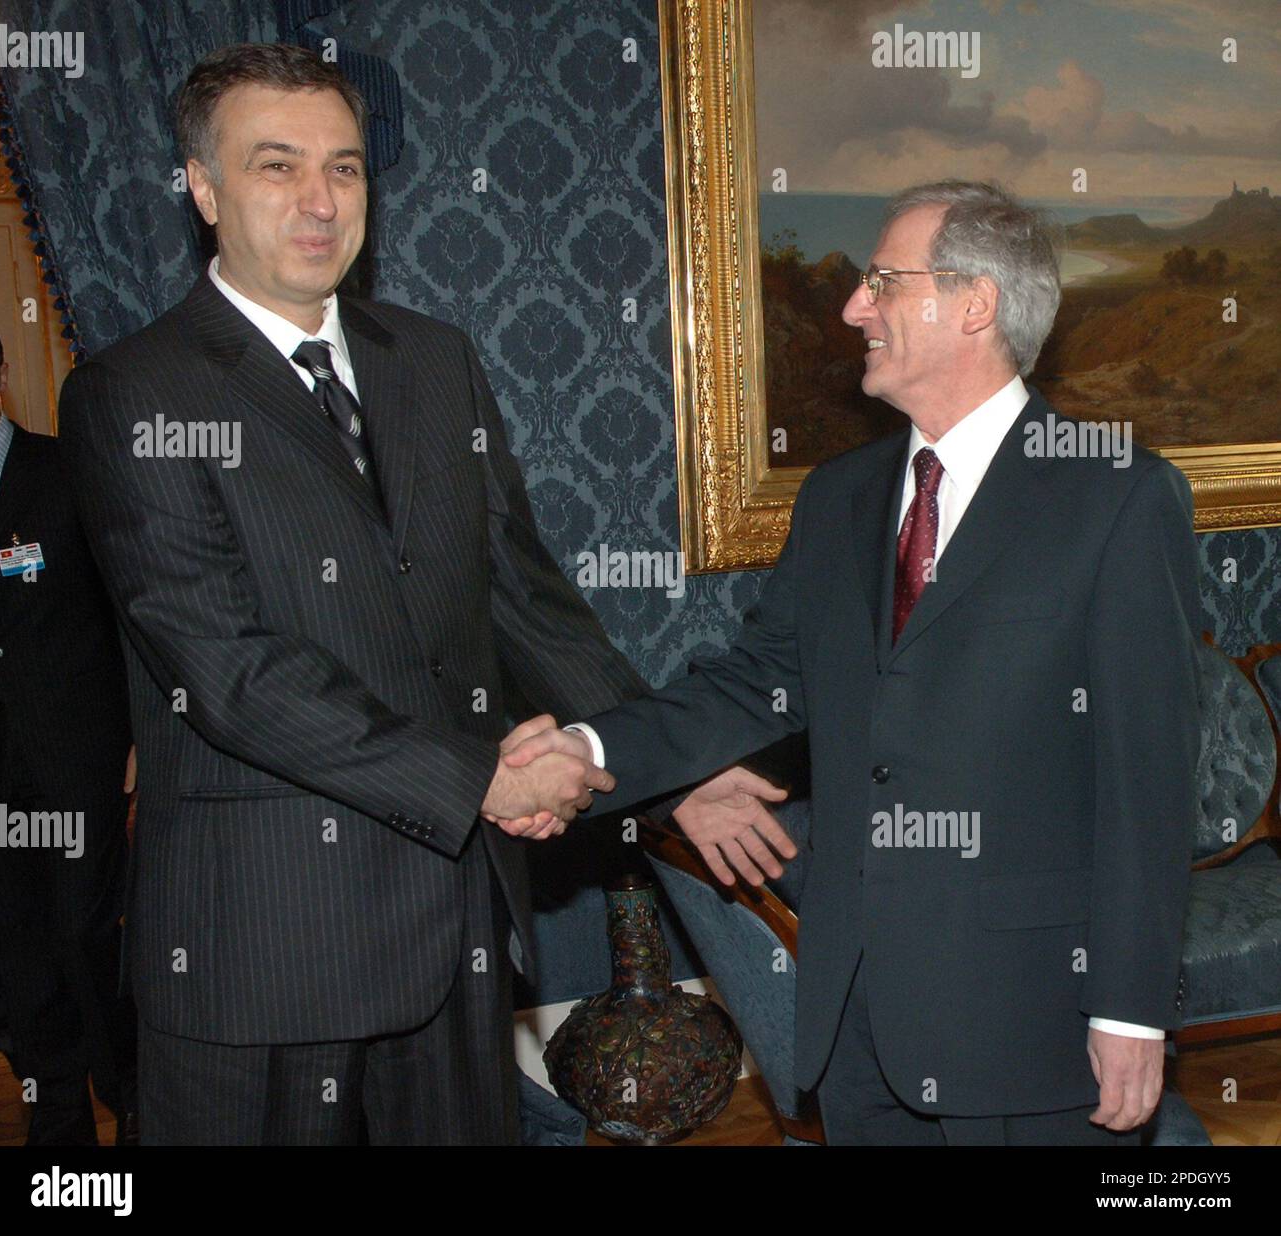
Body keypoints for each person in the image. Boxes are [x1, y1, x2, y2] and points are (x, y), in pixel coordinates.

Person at [57, 43, 793, 1146]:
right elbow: (227, 670)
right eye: (276, 166)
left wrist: (655, 771)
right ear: (203, 191)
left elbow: (526, 602)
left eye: (346, 168)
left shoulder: (434, 362)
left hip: (455, 929)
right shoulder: (132, 391)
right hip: (260, 953)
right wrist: (478, 780)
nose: (319, 202)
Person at [498, 181, 1203, 1146]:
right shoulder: (840, 497)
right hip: (857, 1012)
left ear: (974, 304)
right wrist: (582, 749)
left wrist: (1129, 1010)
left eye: (880, 282)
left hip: (1031, 1016)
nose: (850, 308)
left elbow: (1148, 783)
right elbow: (754, 684)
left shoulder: (1118, 496)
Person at [0, 320, 137, 1145]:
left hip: (78, 759)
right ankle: (60, 1116)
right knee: (21, 947)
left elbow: (125, 607)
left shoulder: (63, 469)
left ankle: (132, 1090)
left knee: (85, 933)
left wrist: (141, 733)